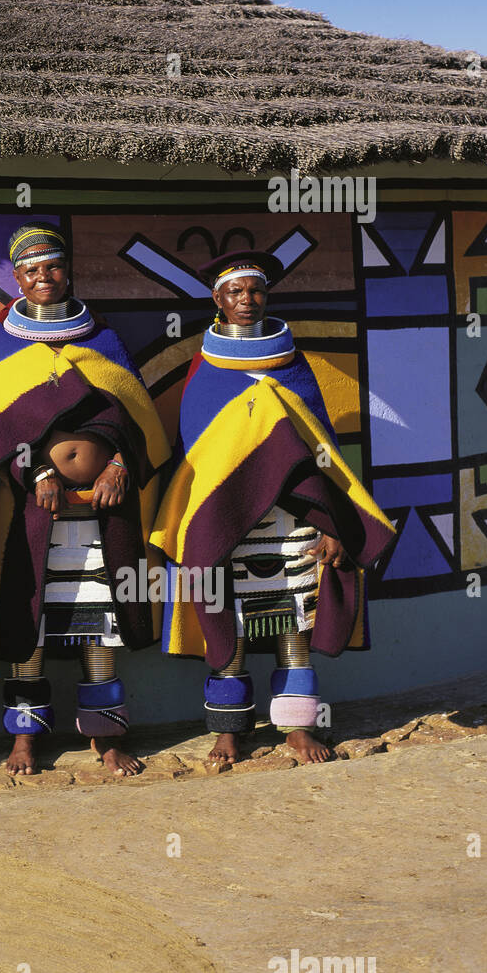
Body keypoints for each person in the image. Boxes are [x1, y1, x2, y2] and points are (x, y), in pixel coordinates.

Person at [151, 250, 396, 766]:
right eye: (235, 291)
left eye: (256, 290)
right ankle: (228, 731)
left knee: (294, 626)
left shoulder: (296, 366)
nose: (247, 300)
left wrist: (330, 522)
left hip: (295, 521)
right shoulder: (206, 370)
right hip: (227, 522)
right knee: (228, 628)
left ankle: (299, 727)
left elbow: (321, 452)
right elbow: (198, 455)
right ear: (217, 299)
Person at [0, 225, 170, 778]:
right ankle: (26, 739)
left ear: (67, 269)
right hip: (31, 512)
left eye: (52, 267)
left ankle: (106, 738)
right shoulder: (3, 342)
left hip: (104, 511)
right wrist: (34, 470)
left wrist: (122, 464)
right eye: (31, 271)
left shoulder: (102, 337)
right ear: (17, 278)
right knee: (25, 623)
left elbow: (135, 416)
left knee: (100, 624)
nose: (43, 278)